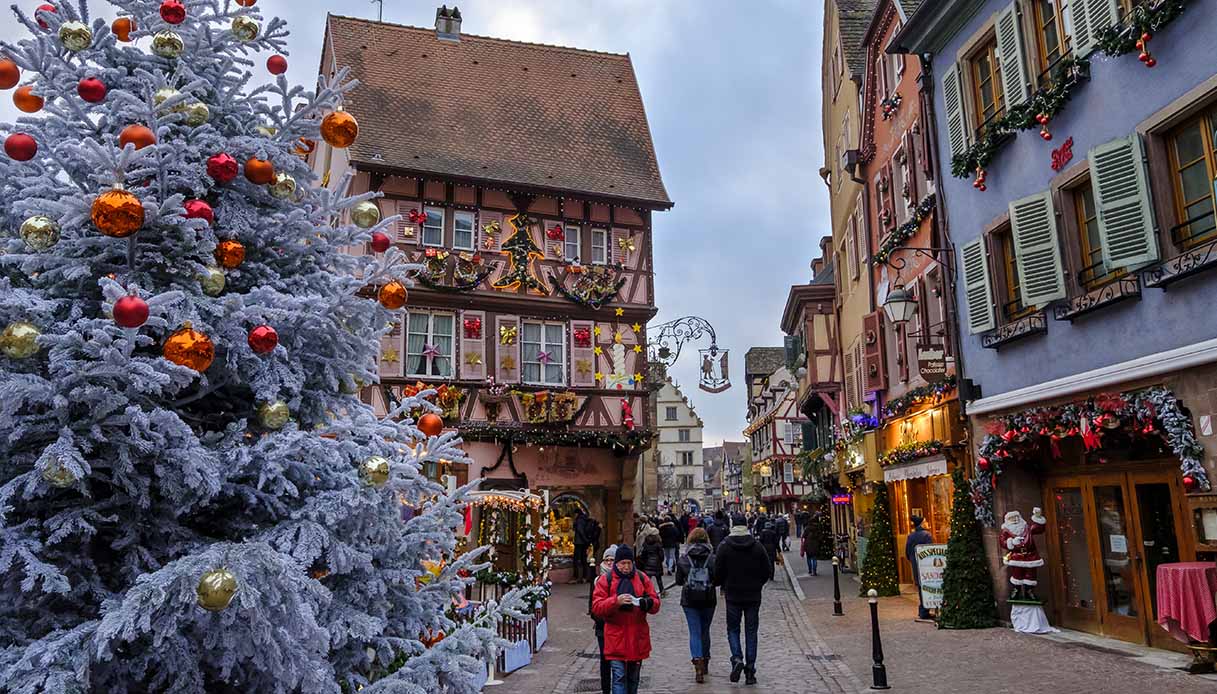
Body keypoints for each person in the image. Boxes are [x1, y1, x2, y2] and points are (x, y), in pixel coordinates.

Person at [592, 545, 661, 694]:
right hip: (615, 639)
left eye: (629, 563)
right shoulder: (606, 580)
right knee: (618, 677)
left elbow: (655, 603)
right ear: (617, 563)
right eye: (623, 563)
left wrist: (646, 603)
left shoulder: (641, 578)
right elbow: (597, 607)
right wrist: (615, 602)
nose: (626, 567)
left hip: (637, 638)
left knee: (633, 679)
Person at [713, 522, 770, 686]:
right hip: (753, 596)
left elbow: (718, 573)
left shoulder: (724, 546)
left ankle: (737, 657)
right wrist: (757, 584)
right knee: (751, 632)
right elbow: (766, 570)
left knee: (733, 629)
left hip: (733, 595)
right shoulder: (757, 546)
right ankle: (750, 671)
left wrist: (723, 583)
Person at [675, 527, 716, 684]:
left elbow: (679, 581)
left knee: (694, 631)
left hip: (689, 599)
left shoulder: (684, 558)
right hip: (708, 598)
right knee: (705, 630)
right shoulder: (712, 558)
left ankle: (697, 661)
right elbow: (717, 578)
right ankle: (705, 661)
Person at [589, 545, 618, 694]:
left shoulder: (622, 580)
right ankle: (606, 689)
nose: (609, 563)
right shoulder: (596, 581)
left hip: (618, 627)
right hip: (602, 627)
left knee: (618, 661)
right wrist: (600, 617)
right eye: (607, 560)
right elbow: (591, 608)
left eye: (612, 560)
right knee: (605, 660)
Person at [905, 515, 935, 619]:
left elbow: (907, 552)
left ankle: (923, 609)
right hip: (927, 565)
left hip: (915, 565)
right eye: (925, 521)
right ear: (922, 523)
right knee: (929, 584)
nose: (927, 523)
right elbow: (931, 550)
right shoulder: (927, 535)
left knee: (921, 587)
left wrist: (913, 560)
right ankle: (926, 609)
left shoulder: (910, 536)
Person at [572, 510, 591, 584]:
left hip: (579, 543)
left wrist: (584, 539)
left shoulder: (579, 520)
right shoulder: (584, 519)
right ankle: (584, 577)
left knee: (576, 560)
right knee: (584, 560)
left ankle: (576, 577)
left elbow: (580, 530)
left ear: (577, 514)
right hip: (583, 543)